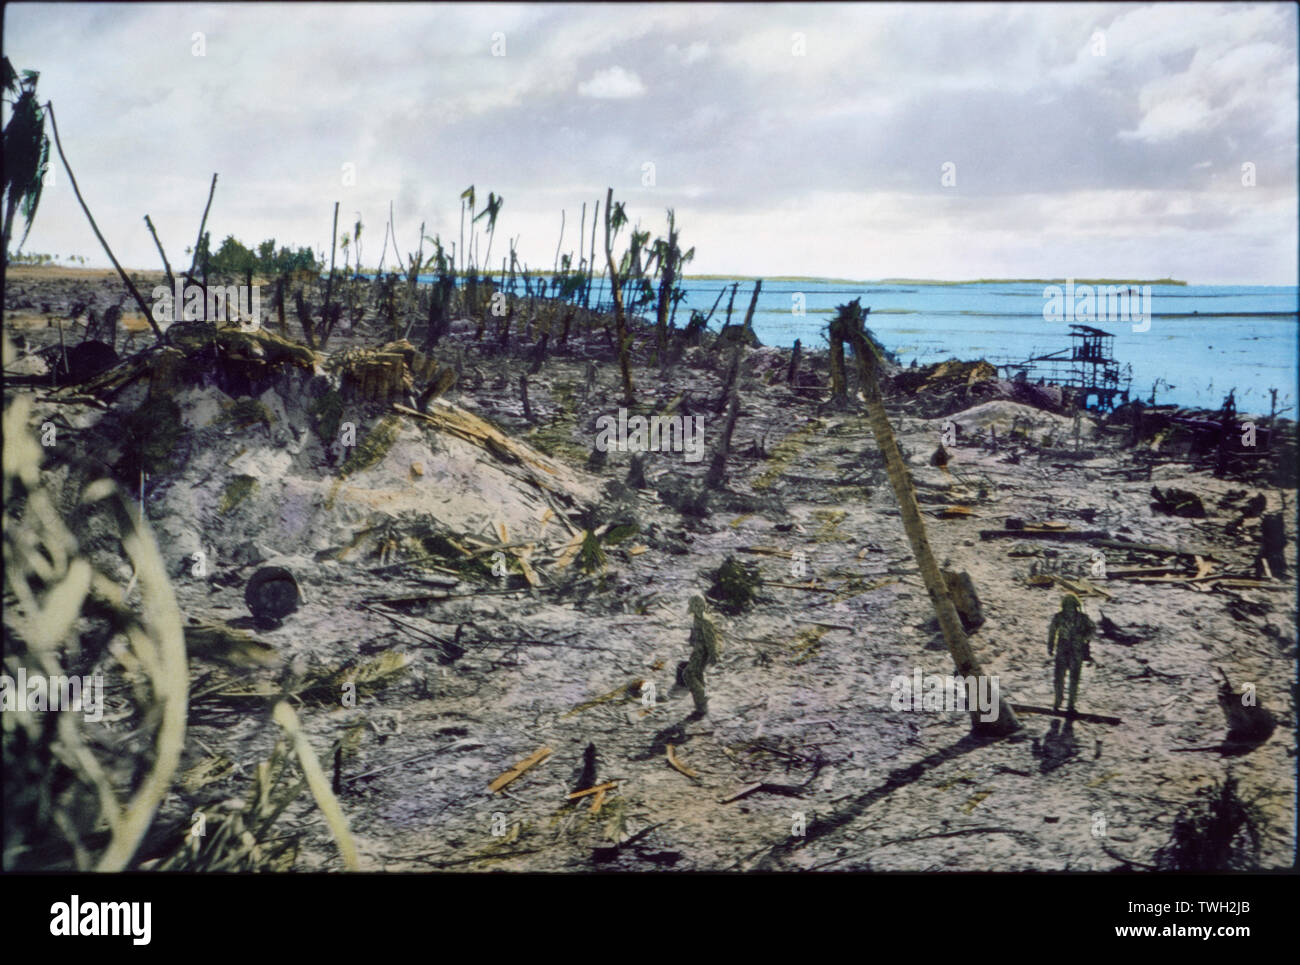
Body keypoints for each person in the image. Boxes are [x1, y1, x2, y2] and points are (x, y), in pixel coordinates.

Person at [1047, 594, 1094, 713]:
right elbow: (1052, 632)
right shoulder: (1058, 617)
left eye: (1071, 606)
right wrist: (1050, 646)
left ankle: (1071, 705)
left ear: (1075, 606)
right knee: (1059, 678)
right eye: (1067, 606)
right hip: (1062, 649)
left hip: (1076, 650)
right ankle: (1057, 702)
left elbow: (1092, 629)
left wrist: (1085, 638)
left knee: (1074, 678)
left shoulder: (1083, 618)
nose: (1069, 609)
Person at [682, 595, 720, 717]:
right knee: (697, 675)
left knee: (688, 675)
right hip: (697, 651)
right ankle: (701, 708)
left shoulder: (705, 620)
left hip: (702, 652)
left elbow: (711, 640)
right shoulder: (697, 619)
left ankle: (702, 699)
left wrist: (713, 655)